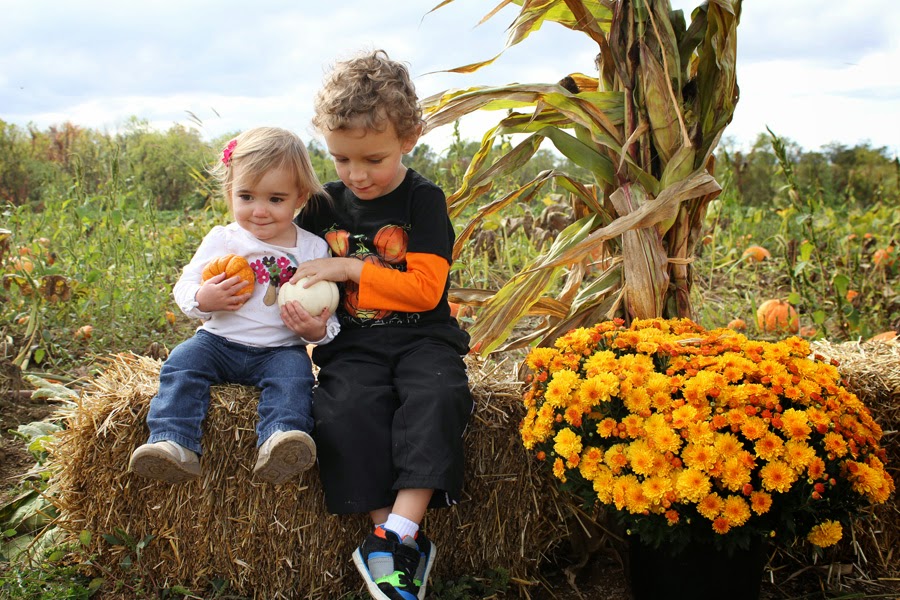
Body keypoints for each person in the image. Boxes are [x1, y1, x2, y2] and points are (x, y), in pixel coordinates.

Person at [287, 49, 473, 600]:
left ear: (411, 137)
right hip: (355, 344)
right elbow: (296, 273)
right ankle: (387, 536)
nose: (356, 175)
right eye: (342, 160)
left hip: (423, 339)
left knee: (438, 395)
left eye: (372, 158)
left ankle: (399, 531)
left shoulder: (423, 200)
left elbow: (424, 290)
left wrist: (348, 266)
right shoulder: (323, 205)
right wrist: (307, 325)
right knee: (343, 407)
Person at [129, 127, 339, 486]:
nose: (259, 211)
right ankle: (173, 442)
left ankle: (281, 438)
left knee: (295, 378)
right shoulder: (223, 238)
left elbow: (329, 311)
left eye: (275, 199)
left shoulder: (313, 248)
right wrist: (202, 299)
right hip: (218, 342)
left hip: (280, 348)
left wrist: (317, 331)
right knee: (182, 364)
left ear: (299, 197)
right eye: (246, 196)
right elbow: (185, 285)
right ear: (229, 192)